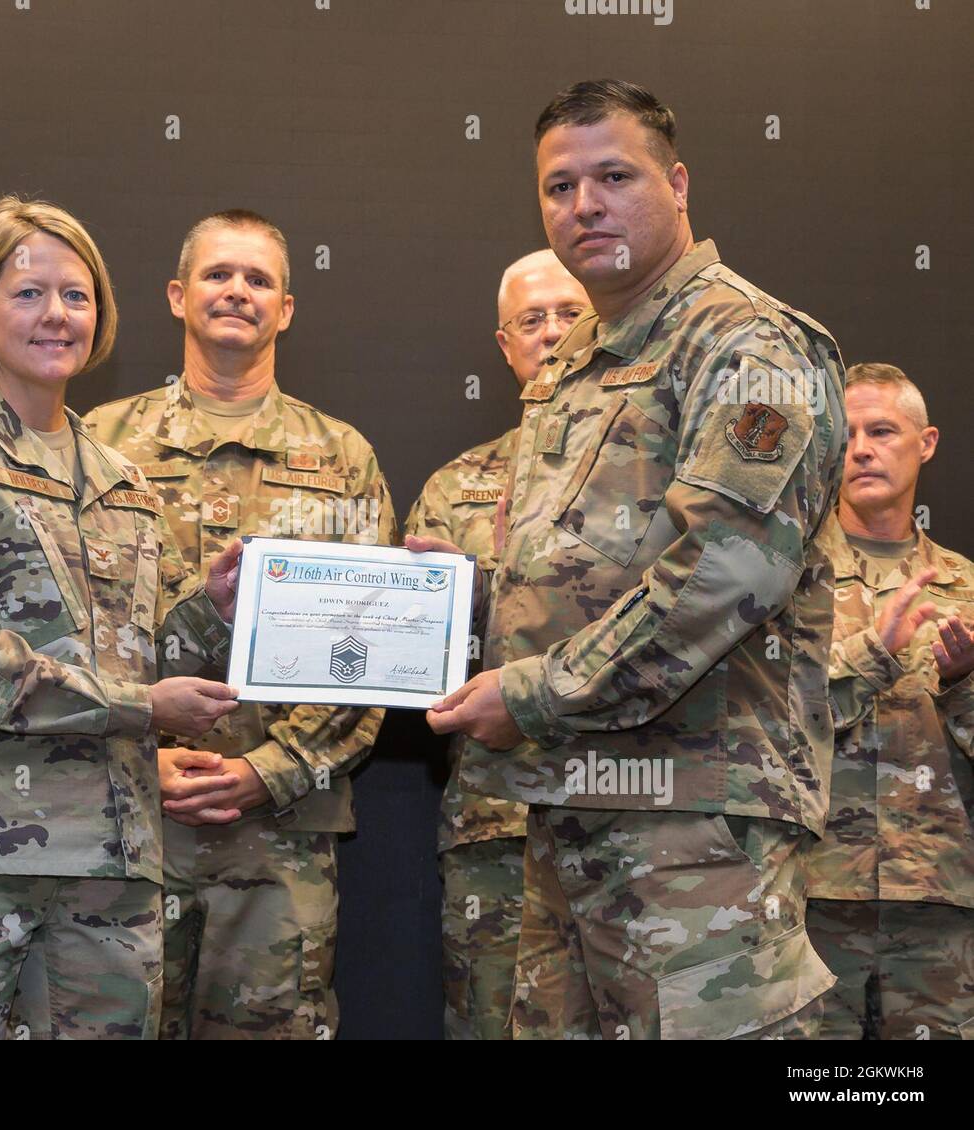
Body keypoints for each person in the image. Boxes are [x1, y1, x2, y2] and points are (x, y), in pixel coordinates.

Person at [421, 79, 847, 1039]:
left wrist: (531, 694)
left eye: (614, 176)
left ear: (679, 183)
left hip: (696, 824)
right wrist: (455, 599)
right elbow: (586, 573)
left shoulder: (747, 343)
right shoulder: (575, 363)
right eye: (560, 186)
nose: (585, 206)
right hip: (569, 804)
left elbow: (726, 575)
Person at [0, 197, 242, 1040]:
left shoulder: (124, 479)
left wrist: (210, 616)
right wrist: (145, 710)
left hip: (111, 868)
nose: (56, 315)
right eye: (28, 293)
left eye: (77, 295)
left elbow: (142, 654)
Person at [83, 209, 396, 1039]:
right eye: (219, 274)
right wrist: (136, 750)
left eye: (259, 279)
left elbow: (374, 655)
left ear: (286, 308)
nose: (238, 292)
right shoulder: (96, 447)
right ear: (179, 296)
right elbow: (66, 627)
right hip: (124, 820)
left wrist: (275, 766)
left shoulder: (342, 459)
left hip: (279, 836)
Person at [405, 250, 587, 1039]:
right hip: (497, 823)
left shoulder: (660, 466)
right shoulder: (457, 488)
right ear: (505, 345)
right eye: (531, 320)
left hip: (634, 809)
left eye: (570, 315)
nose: (551, 333)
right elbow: (415, 666)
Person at [805, 363, 974, 1040]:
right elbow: (764, 727)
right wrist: (869, 655)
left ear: (926, 442)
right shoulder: (788, 580)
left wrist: (963, 683)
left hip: (937, 900)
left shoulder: (965, 585)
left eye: (882, 431)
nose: (862, 449)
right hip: (812, 895)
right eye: (845, 436)